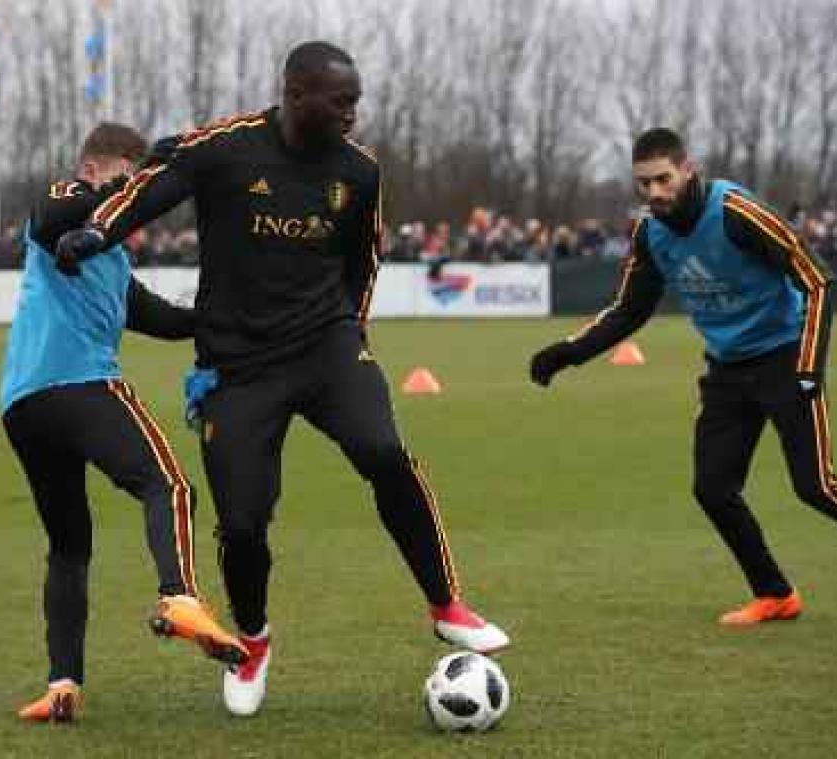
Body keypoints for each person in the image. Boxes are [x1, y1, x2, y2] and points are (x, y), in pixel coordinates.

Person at [53, 41, 509, 718]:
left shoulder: (359, 172)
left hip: (326, 347)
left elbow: (363, 263)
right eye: (340, 101)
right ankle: (255, 639)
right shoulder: (225, 147)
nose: (353, 114)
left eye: (356, 100)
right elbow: (154, 188)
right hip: (237, 367)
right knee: (241, 522)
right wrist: (96, 233)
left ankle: (445, 602)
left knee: (382, 451)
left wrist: (351, 331)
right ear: (297, 94)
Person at [530, 127, 837, 626]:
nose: (654, 193)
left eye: (663, 178)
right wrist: (567, 353)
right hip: (726, 370)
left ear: (688, 169)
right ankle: (775, 594)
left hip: (786, 358)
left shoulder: (736, 212)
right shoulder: (649, 234)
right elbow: (628, 311)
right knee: (713, 488)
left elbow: (817, 280)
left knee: (816, 488)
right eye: (644, 184)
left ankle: (776, 590)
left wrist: (808, 367)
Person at [0, 123, 248, 724]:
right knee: (170, 485)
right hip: (75, 385)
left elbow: (159, 317)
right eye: (128, 184)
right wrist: (132, 185)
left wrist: (222, 320)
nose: (137, 201)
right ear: (94, 171)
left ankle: (63, 685)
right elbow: (47, 215)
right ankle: (180, 598)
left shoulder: (107, 255)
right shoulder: (64, 201)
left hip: (26, 406)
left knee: (68, 548)